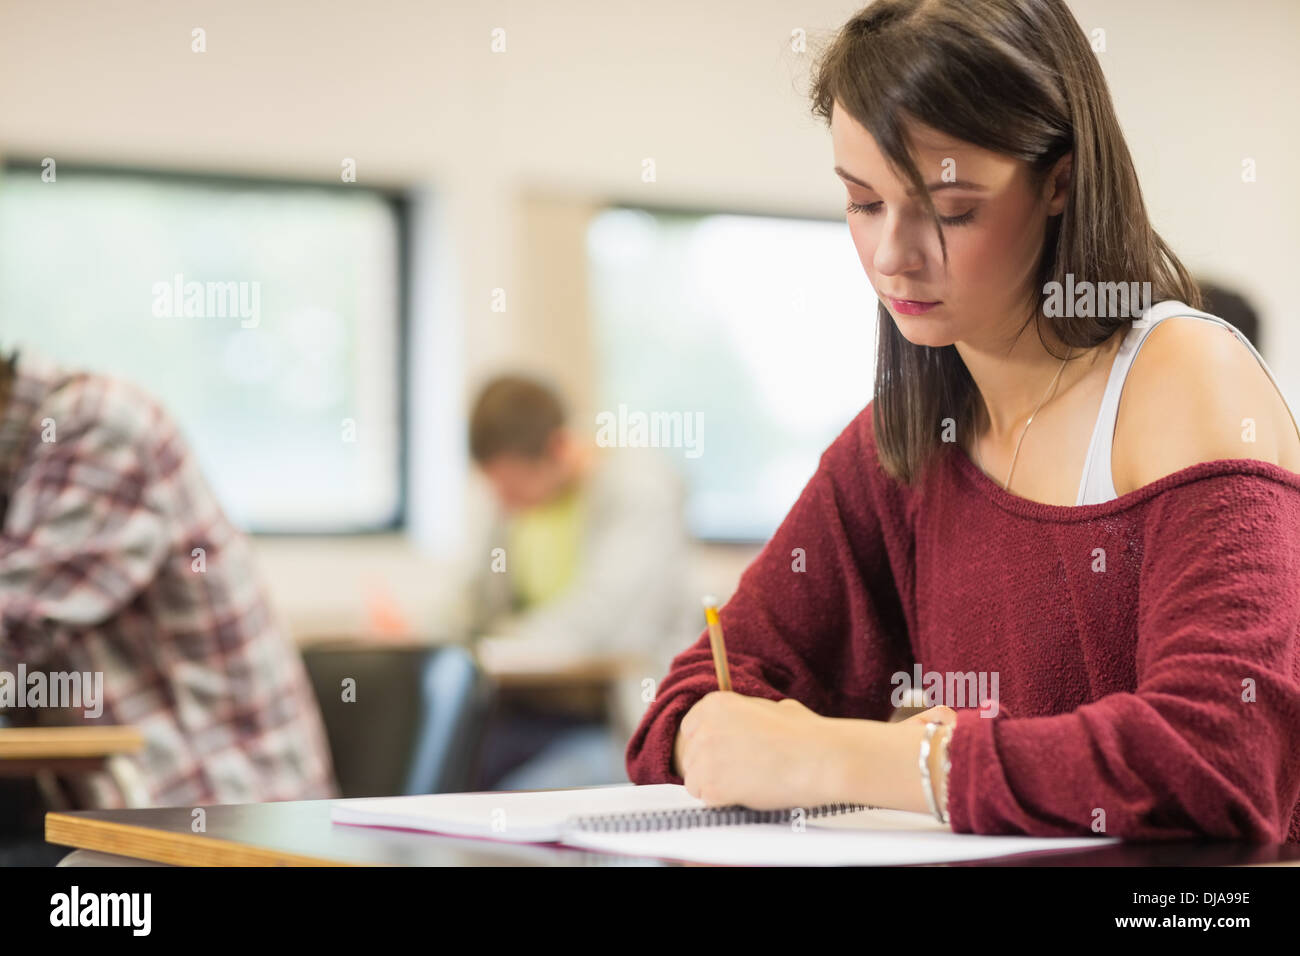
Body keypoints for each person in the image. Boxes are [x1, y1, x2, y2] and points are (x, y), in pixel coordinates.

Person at [627, 0, 1300, 843]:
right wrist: (714, 735)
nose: (892, 255)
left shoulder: (1184, 380)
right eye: (864, 202)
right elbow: (698, 695)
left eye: (950, 210)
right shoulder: (907, 440)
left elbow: (1219, 757)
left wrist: (848, 759)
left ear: (1060, 182)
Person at [0, 349, 337, 819]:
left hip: (226, 813)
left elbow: (13, 626)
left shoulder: (101, 424)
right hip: (123, 810)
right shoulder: (24, 462)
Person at [442, 374, 694, 791]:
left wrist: (493, 644)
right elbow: (471, 601)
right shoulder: (512, 509)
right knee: (441, 771)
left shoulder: (639, 495)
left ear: (558, 449)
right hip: (527, 711)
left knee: (517, 795)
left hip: (613, 719)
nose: (504, 501)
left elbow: (599, 625)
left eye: (512, 485)